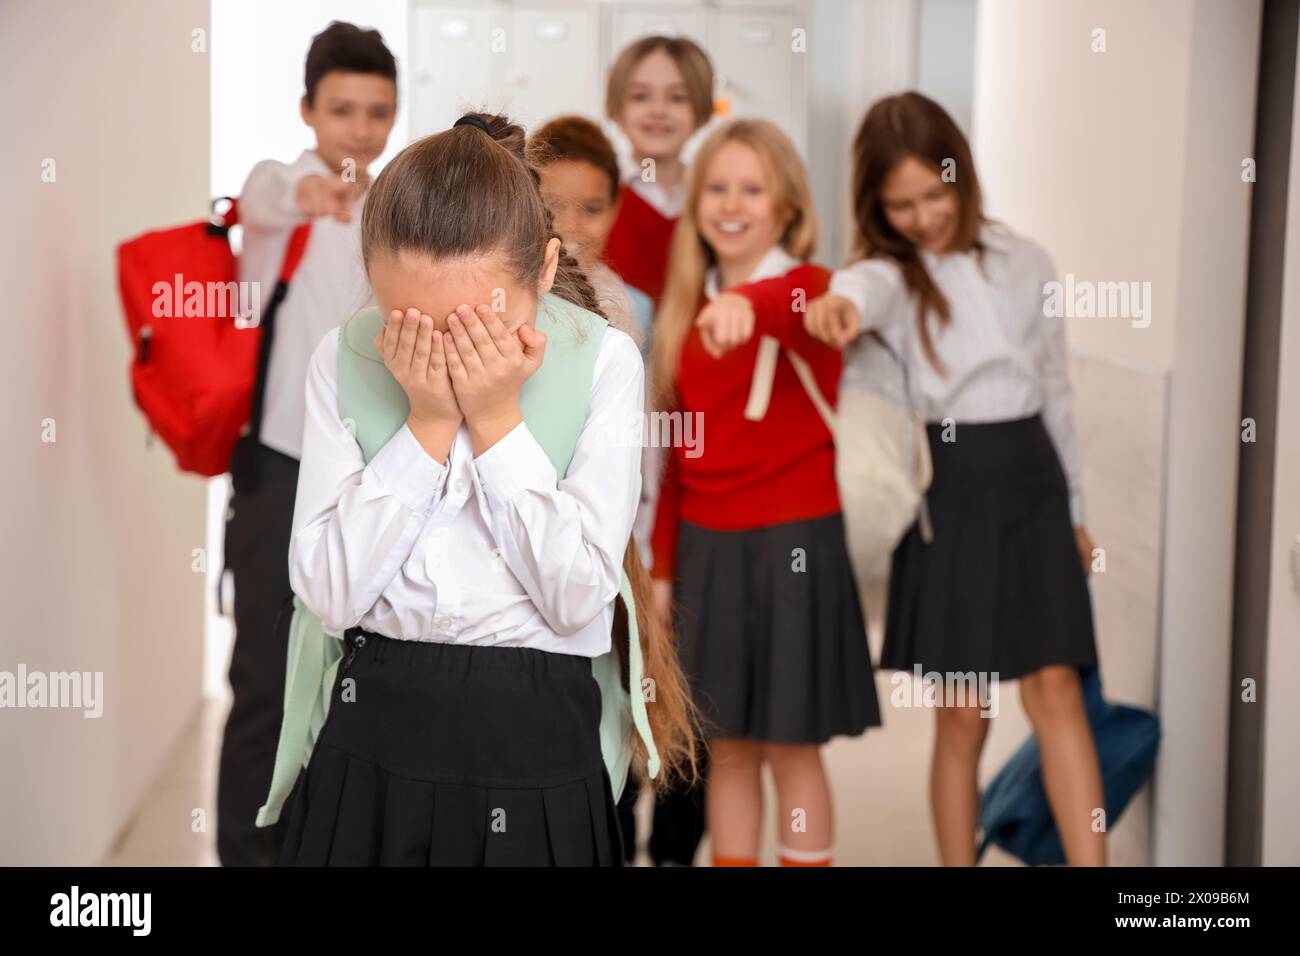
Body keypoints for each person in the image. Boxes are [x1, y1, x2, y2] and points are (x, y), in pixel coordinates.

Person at [276, 113, 697, 866]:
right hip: (371, 724)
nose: (442, 350)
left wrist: (498, 422)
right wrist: (428, 425)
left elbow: (576, 599)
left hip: (535, 738)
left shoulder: (603, 362)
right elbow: (330, 595)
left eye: (471, 323)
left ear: (542, 271)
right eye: (405, 319)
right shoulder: (342, 356)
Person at [805, 91, 1106, 866]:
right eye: (899, 204)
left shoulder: (1024, 263)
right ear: (876, 205)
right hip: (950, 489)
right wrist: (839, 305)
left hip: (1032, 476)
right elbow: (857, 295)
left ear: (960, 175)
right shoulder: (886, 276)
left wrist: (1074, 508)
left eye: (934, 195)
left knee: (1057, 693)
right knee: (962, 714)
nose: (922, 218)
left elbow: (1058, 394)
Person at [651, 119, 880, 867]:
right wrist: (660, 572)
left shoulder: (810, 289)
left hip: (793, 547)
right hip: (707, 551)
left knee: (791, 750)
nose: (732, 204)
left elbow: (806, 301)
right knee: (730, 749)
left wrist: (752, 305)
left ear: (787, 207)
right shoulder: (684, 309)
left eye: (753, 189)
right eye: (717, 187)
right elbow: (678, 462)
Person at [218, 20, 397, 867]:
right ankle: (246, 856)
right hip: (279, 467)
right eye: (343, 110)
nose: (360, 130)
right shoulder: (280, 188)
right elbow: (265, 193)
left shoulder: (393, 210)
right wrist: (316, 195)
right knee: (263, 676)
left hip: (366, 469)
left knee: (347, 678)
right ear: (307, 110)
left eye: (378, 112)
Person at [601, 35, 714, 303]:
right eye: (640, 97)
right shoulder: (598, 198)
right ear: (617, 107)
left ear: (700, 109)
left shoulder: (715, 197)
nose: (658, 110)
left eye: (678, 98)